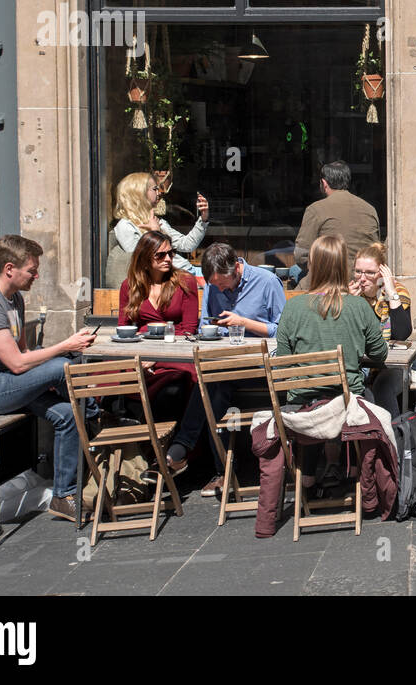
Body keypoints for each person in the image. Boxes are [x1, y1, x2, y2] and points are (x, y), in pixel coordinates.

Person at [0, 235, 98, 522]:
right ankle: (95, 416)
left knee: (66, 413)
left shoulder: (14, 299)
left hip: (3, 383)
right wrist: (65, 346)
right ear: (10, 268)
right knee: (62, 363)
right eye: (32, 270)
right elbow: (16, 364)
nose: (36, 276)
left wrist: (52, 363)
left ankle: (64, 496)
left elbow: (24, 353)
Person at [163, 242, 287, 496]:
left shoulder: (267, 282)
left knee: (212, 383)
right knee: (214, 384)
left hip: (260, 368)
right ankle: (221, 470)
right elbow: (205, 324)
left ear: (237, 270)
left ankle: (187, 452)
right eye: (214, 285)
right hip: (224, 365)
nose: (218, 289)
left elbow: (283, 330)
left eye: (222, 284)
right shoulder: (212, 285)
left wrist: (244, 323)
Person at [276, 234, 388, 487]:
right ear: (343, 267)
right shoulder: (358, 306)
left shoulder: (293, 308)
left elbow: (282, 365)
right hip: (346, 407)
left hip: (302, 412)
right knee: (367, 398)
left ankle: (307, 476)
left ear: (313, 266)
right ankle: (356, 473)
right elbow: (380, 354)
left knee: (313, 397)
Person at [119, 231, 201, 448]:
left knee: (174, 390)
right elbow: (125, 329)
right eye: (161, 255)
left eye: (171, 253)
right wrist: (140, 358)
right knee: (107, 383)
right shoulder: (130, 286)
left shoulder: (185, 282)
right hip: (140, 357)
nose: (168, 259)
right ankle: (143, 451)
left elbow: (189, 331)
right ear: (145, 257)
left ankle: (168, 453)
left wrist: (156, 359)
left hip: (175, 357)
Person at [294, 161, 380, 286]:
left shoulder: (315, 209)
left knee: (294, 272)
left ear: (324, 183)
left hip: (330, 280)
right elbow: (376, 250)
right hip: (362, 281)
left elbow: (301, 255)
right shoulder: (369, 209)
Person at [110, 172, 208, 281]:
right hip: (177, 277)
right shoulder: (125, 226)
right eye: (155, 189)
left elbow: (187, 245)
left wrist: (203, 219)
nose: (159, 192)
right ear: (139, 193)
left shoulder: (158, 221)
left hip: (191, 271)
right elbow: (140, 261)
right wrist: (155, 233)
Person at [350, 242, 411, 342]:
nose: (362, 278)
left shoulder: (398, 292)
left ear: (382, 273)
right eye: (358, 271)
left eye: (370, 272)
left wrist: (391, 292)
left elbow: (401, 334)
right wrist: (348, 303)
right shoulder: (350, 294)